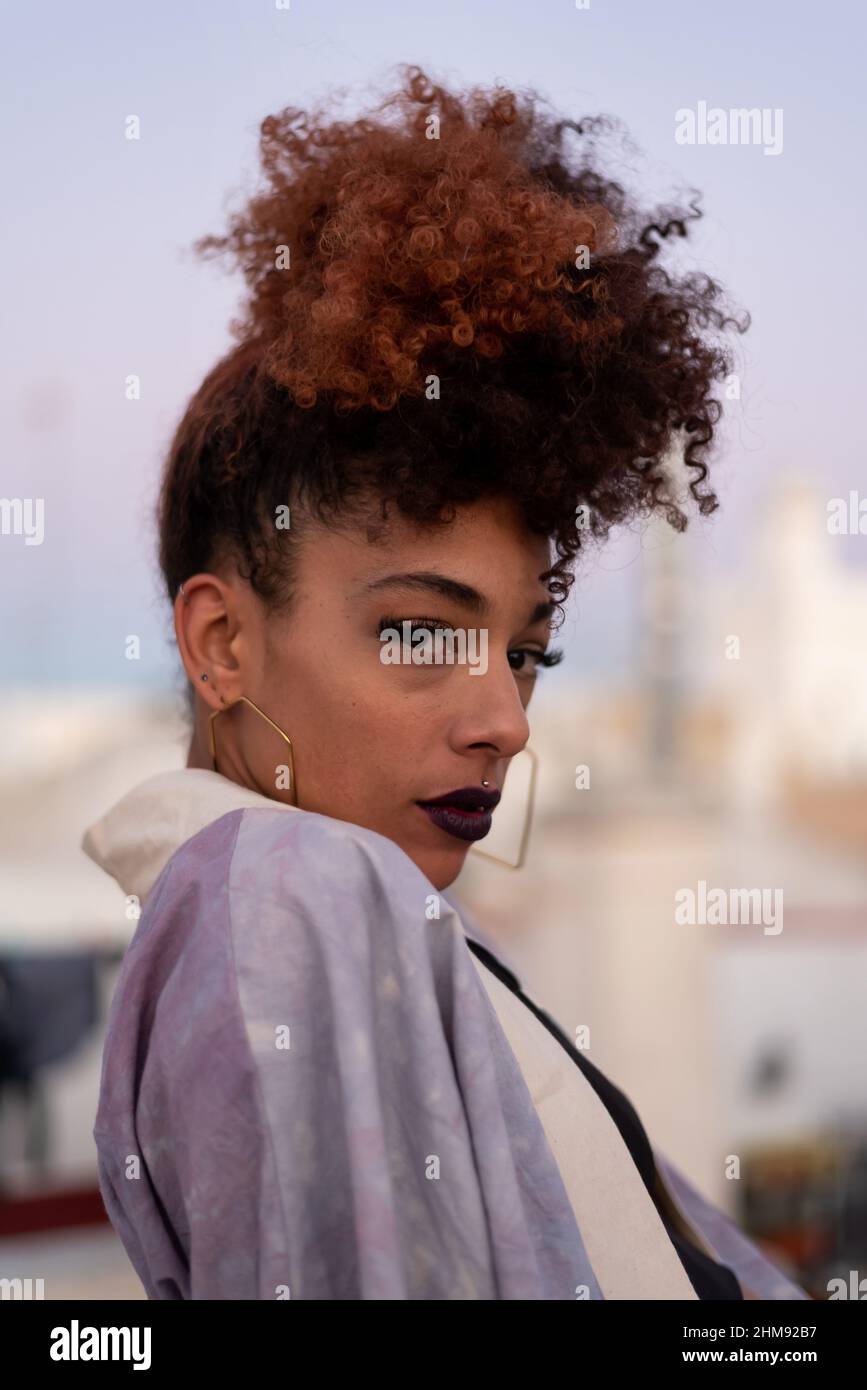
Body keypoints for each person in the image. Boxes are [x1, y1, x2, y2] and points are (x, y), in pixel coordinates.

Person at [83, 65, 809, 1300]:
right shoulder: (282, 893)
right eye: (424, 631)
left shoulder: (364, 915)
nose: (509, 721)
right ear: (222, 647)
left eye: (528, 649)